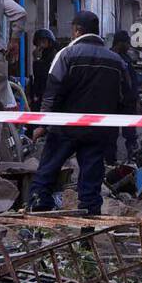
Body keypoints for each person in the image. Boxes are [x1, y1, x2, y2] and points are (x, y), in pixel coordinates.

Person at [28, 11, 136, 217]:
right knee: (91, 181)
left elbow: (52, 91)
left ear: (77, 30)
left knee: (47, 171)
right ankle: (88, 226)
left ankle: (37, 217)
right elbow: (126, 98)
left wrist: (42, 124)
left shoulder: (67, 54)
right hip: (98, 131)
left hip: (65, 127)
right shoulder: (116, 61)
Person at [109, 29, 142, 162]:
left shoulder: (126, 58)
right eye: (127, 43)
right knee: (111, 136)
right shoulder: (109, 57)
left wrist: (137, 100)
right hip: (113, 104)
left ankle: (131, 161)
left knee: (131, 135)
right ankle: (110, 163)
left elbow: (132, 82)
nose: (129, 46)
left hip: (128, 104)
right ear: (120, 43)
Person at [28, 29, 59, 109]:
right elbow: (36, 77)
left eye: (43, 42)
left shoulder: (54, 56)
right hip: (39, 93)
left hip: (50, 93)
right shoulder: (39, 56)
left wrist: (37, 60)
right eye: (39, 42)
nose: (41, 45)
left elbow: (44, 73)